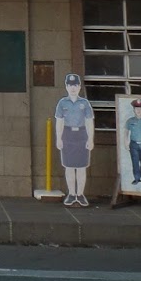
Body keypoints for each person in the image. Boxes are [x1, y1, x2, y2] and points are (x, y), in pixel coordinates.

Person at [54, 73, 94, 206]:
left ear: (79, 86)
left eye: (75, 85)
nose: (73, 88)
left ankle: (80, 194)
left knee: (82, 167)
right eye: (70, 85)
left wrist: (91, 139)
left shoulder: (85, 103)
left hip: (82, 134)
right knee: (69, 167)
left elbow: (89, 122)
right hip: (68, 135)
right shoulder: (62, 103)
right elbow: (59, 122)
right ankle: (71, 194)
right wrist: (58, 138)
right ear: (66, 86)